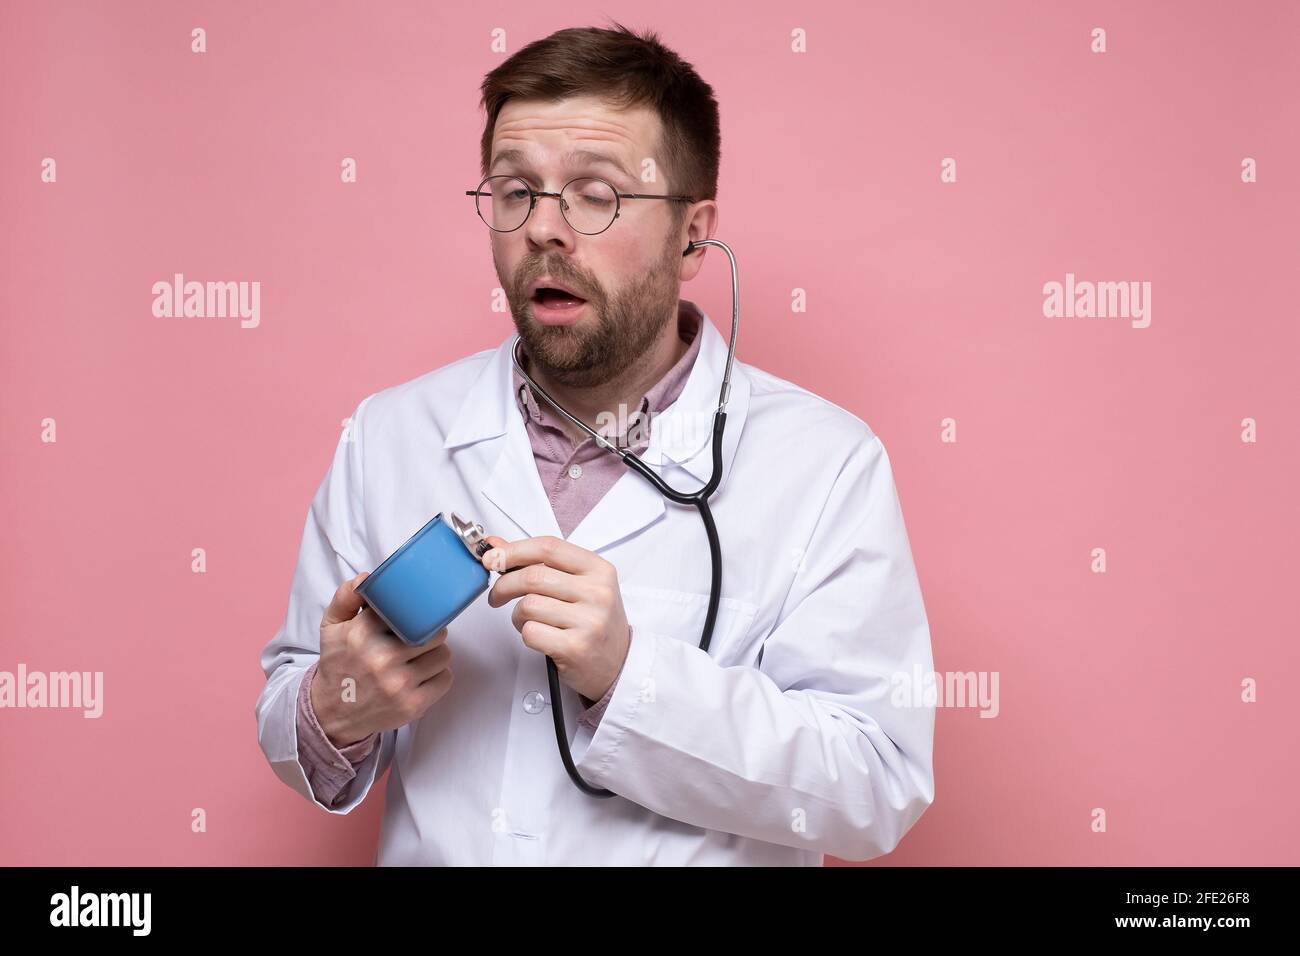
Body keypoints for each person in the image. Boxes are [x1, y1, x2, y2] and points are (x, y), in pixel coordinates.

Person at [255, 22, 935, 866]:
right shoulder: (389, 435)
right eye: (514, 192)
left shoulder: (827, 467)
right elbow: (291, 708)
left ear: (693, 233)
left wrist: (629, 676)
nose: (544, 229)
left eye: (596, 194)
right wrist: (336, 705)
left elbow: (876, 786)